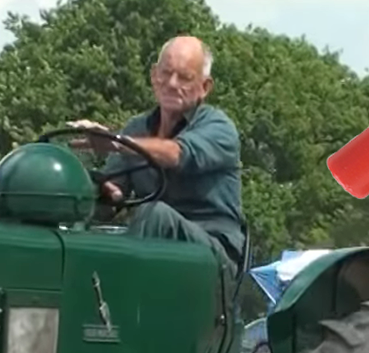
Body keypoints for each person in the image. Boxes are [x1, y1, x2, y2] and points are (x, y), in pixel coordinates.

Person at [66, 35, 246, 281]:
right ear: (154, 76)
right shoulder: (136, 128)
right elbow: (114, 191)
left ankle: (119, 302)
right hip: (155, 250)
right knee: (73, 217)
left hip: (212, 258)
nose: (172, 84)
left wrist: (116, 143)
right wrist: (94, 189)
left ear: (205, 87)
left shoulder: (219, 128)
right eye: (166, 73)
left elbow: (177, 153)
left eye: (184, 77)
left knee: (155, 214)